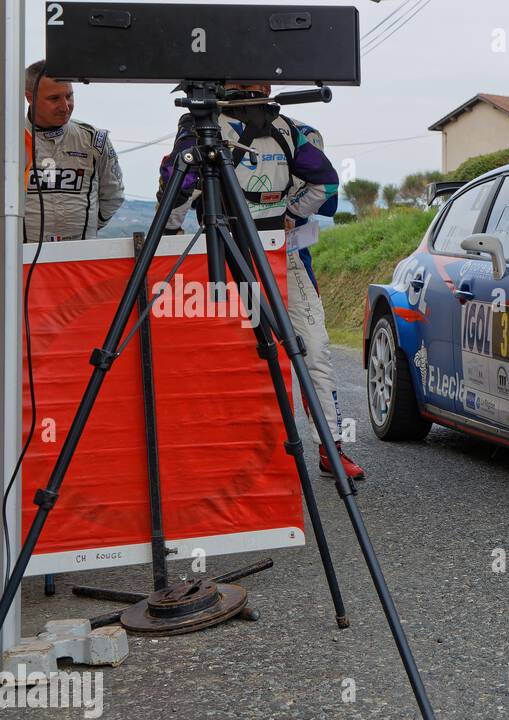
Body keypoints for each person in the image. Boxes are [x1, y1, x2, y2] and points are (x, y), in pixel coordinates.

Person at [158, 83, 364, 480]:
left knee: (315, 348)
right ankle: (213, 456)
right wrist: (169, 244)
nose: (254, 88)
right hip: (218, 256)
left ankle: (331, 448)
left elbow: (329, 185)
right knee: (221, 358)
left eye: (261, 81)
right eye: (245, 80)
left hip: (281, 256)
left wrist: (290, 216)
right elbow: (175, 191)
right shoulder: (201, 127)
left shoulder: (290, 129)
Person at [23, 60, 124, 242]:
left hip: (80, 258)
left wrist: (89, 227)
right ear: (30, 98)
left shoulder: (95, 140)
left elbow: (113, 196)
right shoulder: (9, 142)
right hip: (22, 261)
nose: (65, 106)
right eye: (54, 98)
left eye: (69, 96)